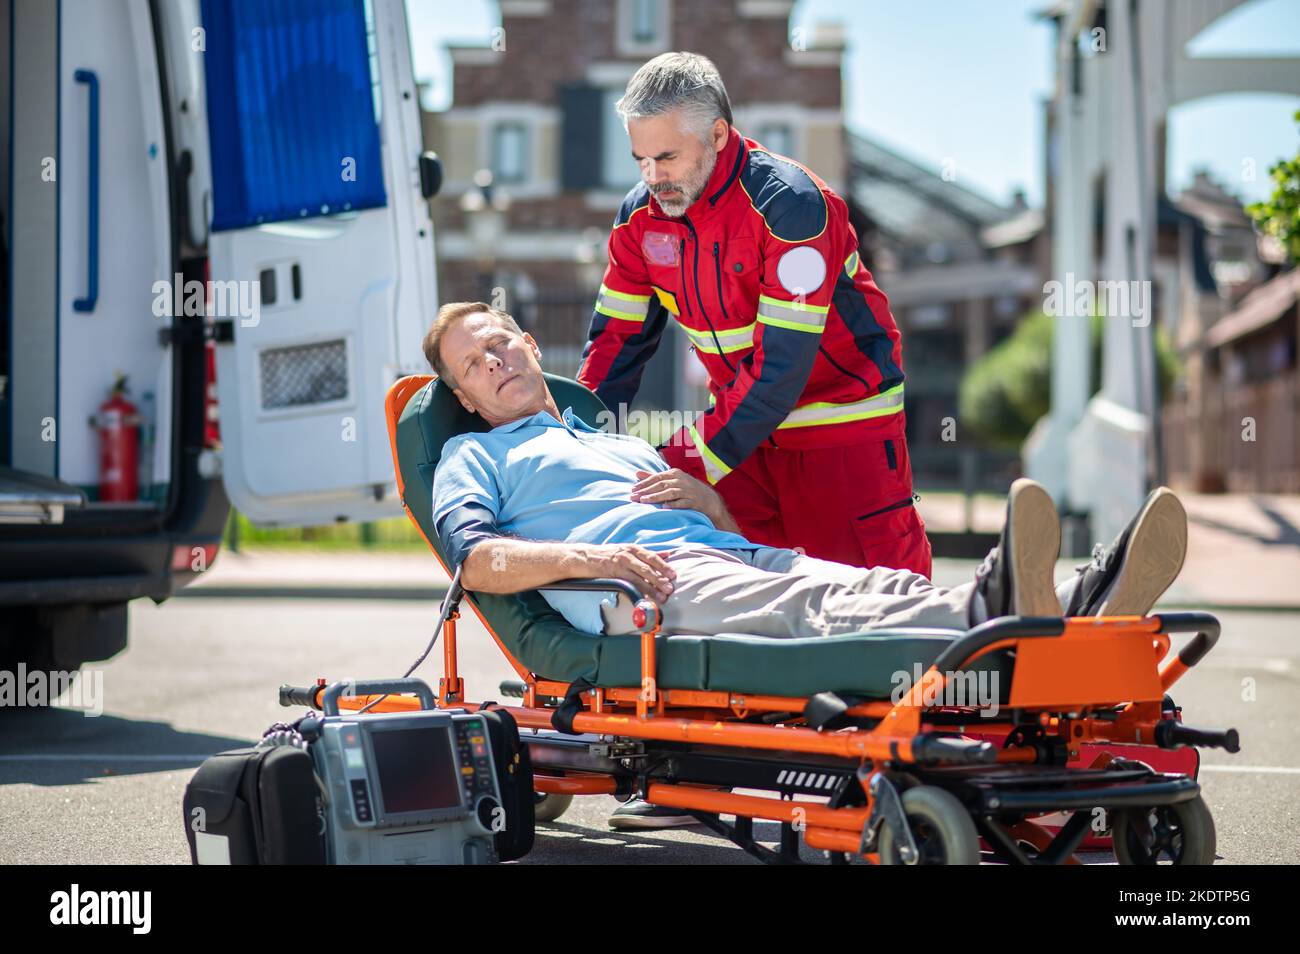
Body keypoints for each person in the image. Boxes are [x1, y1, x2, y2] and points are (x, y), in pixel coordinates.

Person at [422, 302, 1190, 828]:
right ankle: (998, 609)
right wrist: (596, 555)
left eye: (497, 343)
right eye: (471, 364)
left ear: (525, 341)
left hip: (723, 554)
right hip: (636, 593)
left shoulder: (615, 441)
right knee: (816, 617)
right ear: (462, 393)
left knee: (876, 586)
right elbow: (478, 560)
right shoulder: (472, 454)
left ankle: (1074, 598)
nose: (491, 362)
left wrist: (708, 504)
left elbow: (719, 529)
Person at [575, 52, 931, 577]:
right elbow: (612, 350)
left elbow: (780, 371)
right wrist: (578, 447)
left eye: (667, 157)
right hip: (742, 440)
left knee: (881, 614)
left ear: (718, 136)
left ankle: (1011, 612)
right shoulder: (638, 220)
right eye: (640, 159)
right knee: (748, 610)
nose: (653, 177)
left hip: (840, 439)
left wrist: (677, 464)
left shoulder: (794, 206)